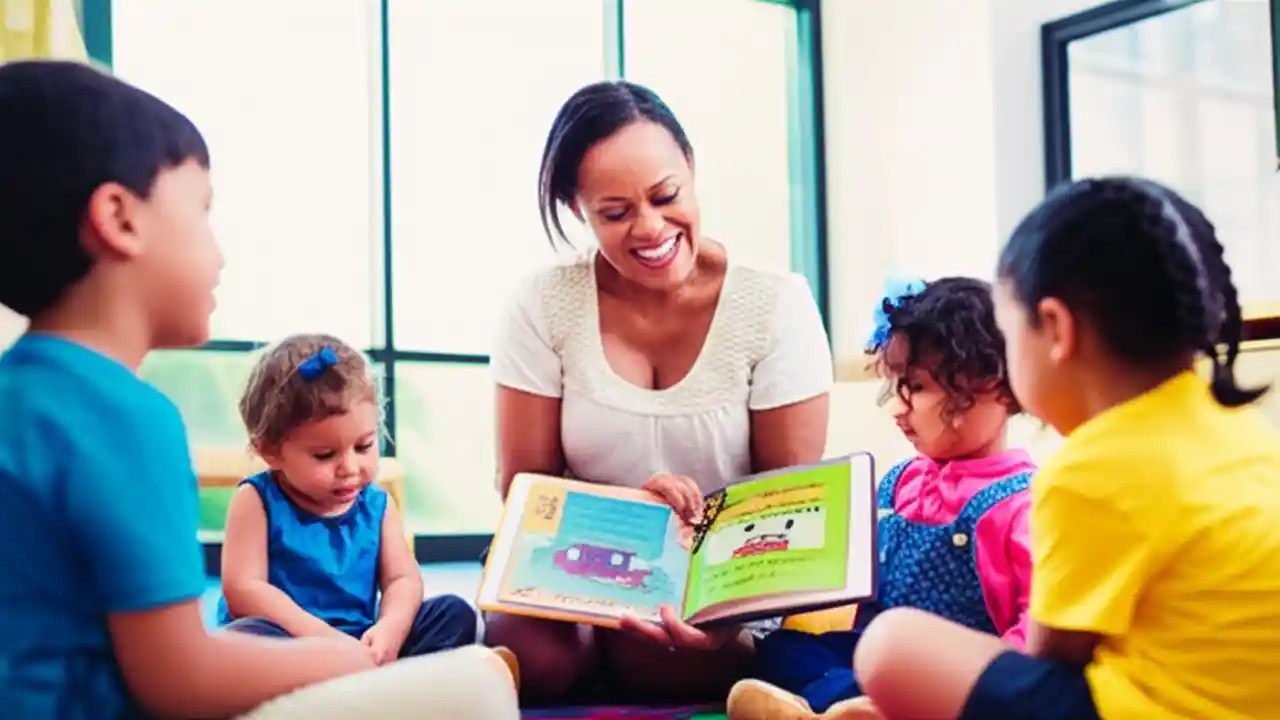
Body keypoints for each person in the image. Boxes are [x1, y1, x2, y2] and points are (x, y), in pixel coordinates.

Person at [0, 60, 519, 720]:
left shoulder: (20, 397)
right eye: (202, 210)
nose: (220, 252)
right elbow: (179, 680)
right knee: (478, 686)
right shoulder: (126, 418)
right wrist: (341, 657)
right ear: (119, 218)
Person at [851, 176, 1280, 720]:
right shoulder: (1240, 433)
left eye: (1008, 334)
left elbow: (1048, 662)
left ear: (1055, 329)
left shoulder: (1093, 469)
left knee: (892, 646)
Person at [487, 79, 834, 703]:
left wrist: (718, 620)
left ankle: (641, 658)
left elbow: (786, 503)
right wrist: (631, 516)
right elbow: (525, 487)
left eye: (666, 196)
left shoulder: (775, 303)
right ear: (577, 208)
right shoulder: (541, 302)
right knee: (529, 655)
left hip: (716, 587)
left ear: (691, 171)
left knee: (657, 657)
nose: (650, 229)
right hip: (578, 569)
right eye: (615, 213)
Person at [727, 277, 1034, 720]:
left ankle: (834, 706)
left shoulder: (1020, 504)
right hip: (872, 653)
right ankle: (847, 708)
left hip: (957, 671)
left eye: (919, 388)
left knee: (894, 681)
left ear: (1000, 389)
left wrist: (991, 686)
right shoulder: (899, 482)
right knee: (782, 650)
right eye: (893, 388)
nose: (895, 409)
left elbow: (1037, 628)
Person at [218, 334, 480, 665]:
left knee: (453, 613)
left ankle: (379, 681)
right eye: (325, 455)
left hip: (363, 641)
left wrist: (390, 629)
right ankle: (376, 688)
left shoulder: (377, 505)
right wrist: (324, 641)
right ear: (270, 451)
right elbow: (244, 590)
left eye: (364, 446)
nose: (350, 468)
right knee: (244, 637)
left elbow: (402, 579)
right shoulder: (256, 500)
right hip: (293, 643)